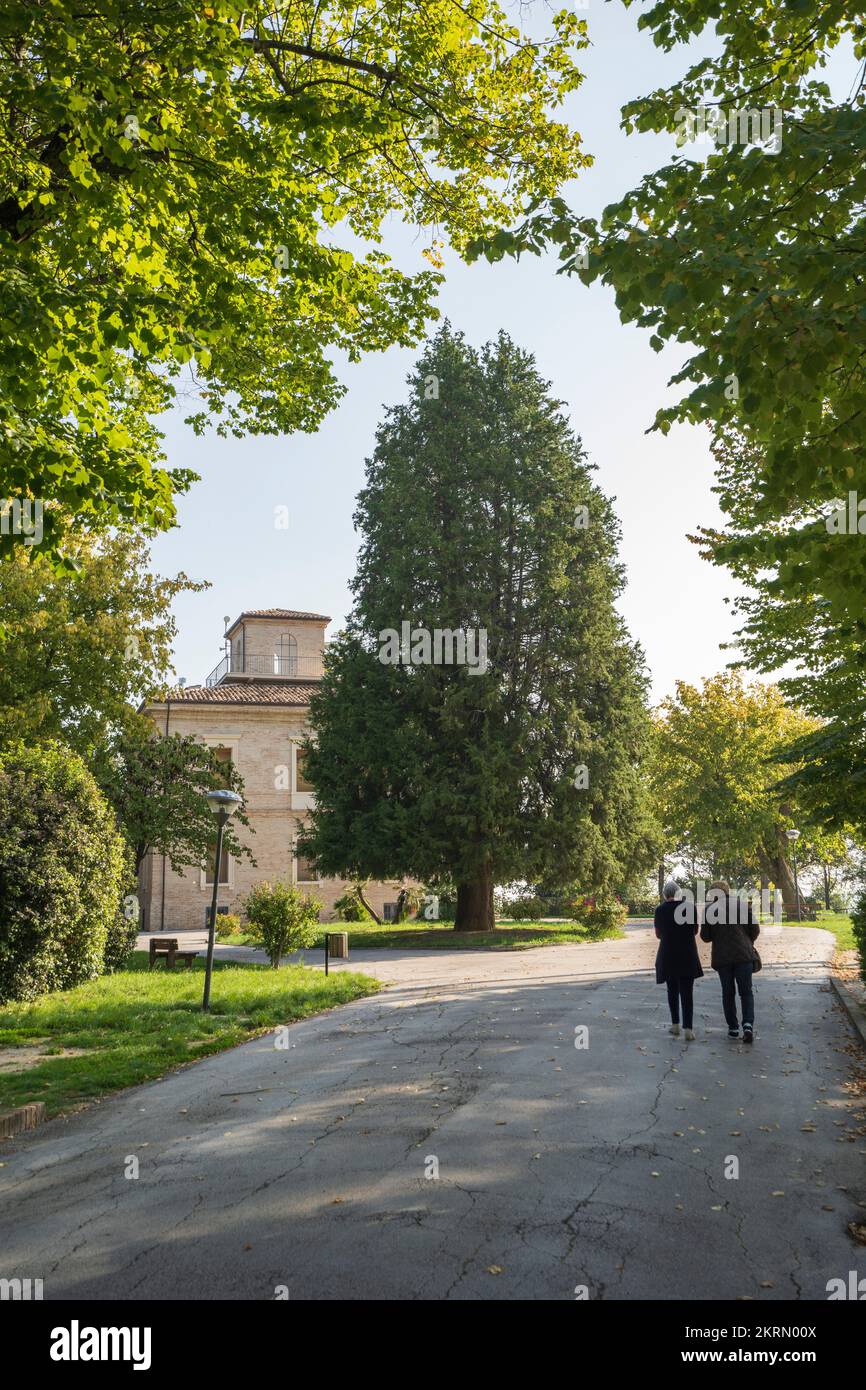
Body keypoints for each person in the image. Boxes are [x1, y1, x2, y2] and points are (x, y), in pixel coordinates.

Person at [699, 879, 760, 1044]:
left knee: (728, 993)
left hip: (722, 958)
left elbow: (705, 937)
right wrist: (747, 942)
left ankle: (733, 1028)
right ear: (728, 891)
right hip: (744, 957)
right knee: (746, 992)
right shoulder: (741, 905)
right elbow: (755, 929)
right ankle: (748, 1025)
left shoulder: (710, 909)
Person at [654, 879, 703, 1040]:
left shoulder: (659, 910)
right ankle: (688, 1029)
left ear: (665, 894)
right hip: (687, 954)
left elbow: (658, 934)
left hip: (668, 955)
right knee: (687, 993)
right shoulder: (690, 908)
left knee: (672, 990)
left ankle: (675, 1025)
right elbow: (695, 930)